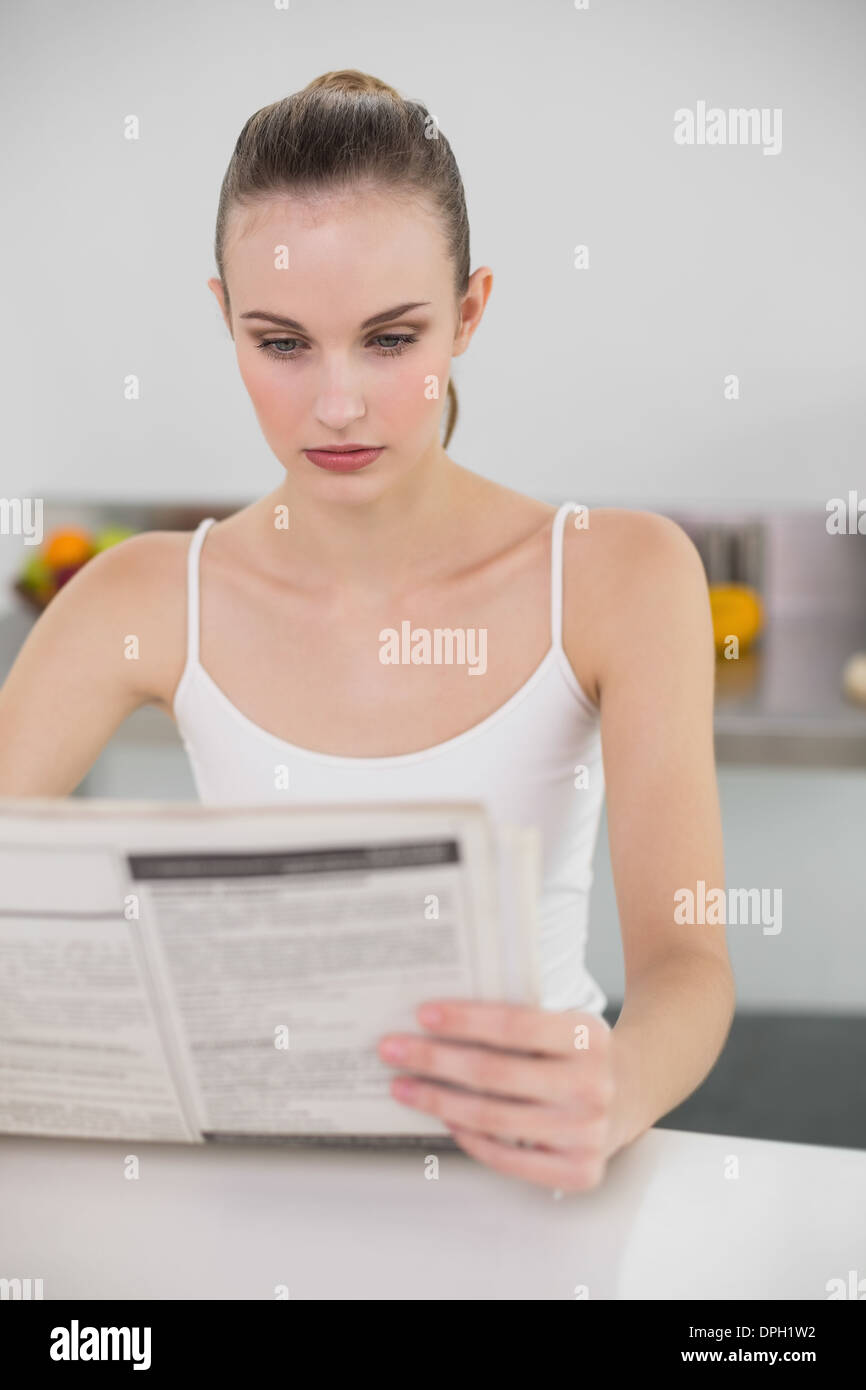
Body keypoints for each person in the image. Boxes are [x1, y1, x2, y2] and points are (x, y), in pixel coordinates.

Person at [0, 69, 734, 1191]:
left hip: (528, 1182)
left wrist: (618, 1083)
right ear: (224, 323)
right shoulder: (143, 596)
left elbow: (687, 960)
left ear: (469, 313)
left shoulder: (617, 576)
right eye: (281, 344)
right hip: (247, 1192)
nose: (335, 403)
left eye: (390, 340)